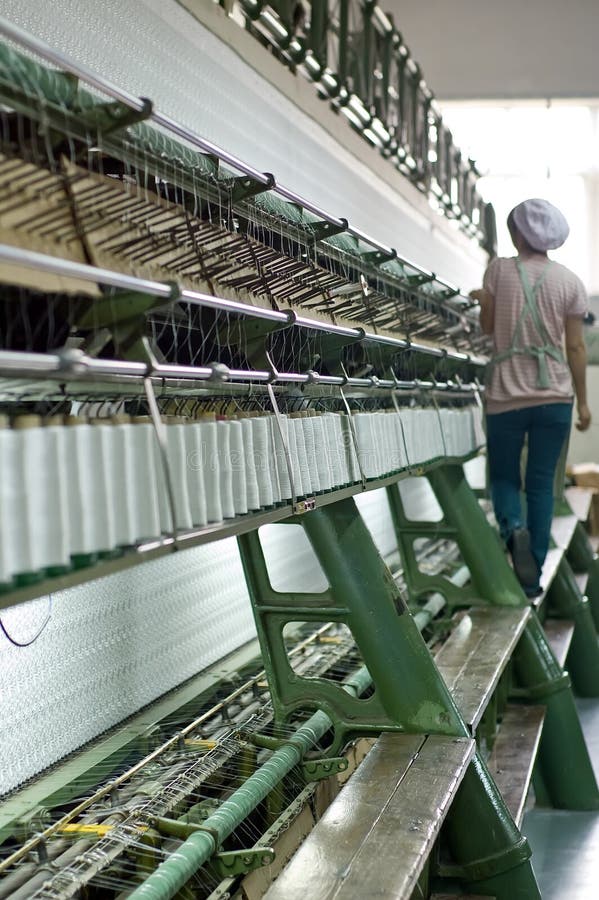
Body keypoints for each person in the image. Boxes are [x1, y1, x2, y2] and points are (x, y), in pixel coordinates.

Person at [470, 198, 591, 596]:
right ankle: (533, 575)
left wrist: (484, 301)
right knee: (541, 484)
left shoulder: (498, 271)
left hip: (506, 394)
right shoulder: (571, 282)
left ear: (519, 234)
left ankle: (514, 529)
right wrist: (584, 402)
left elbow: (487, 329)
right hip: (555, 396)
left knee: (504, 476)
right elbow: (575, 348)